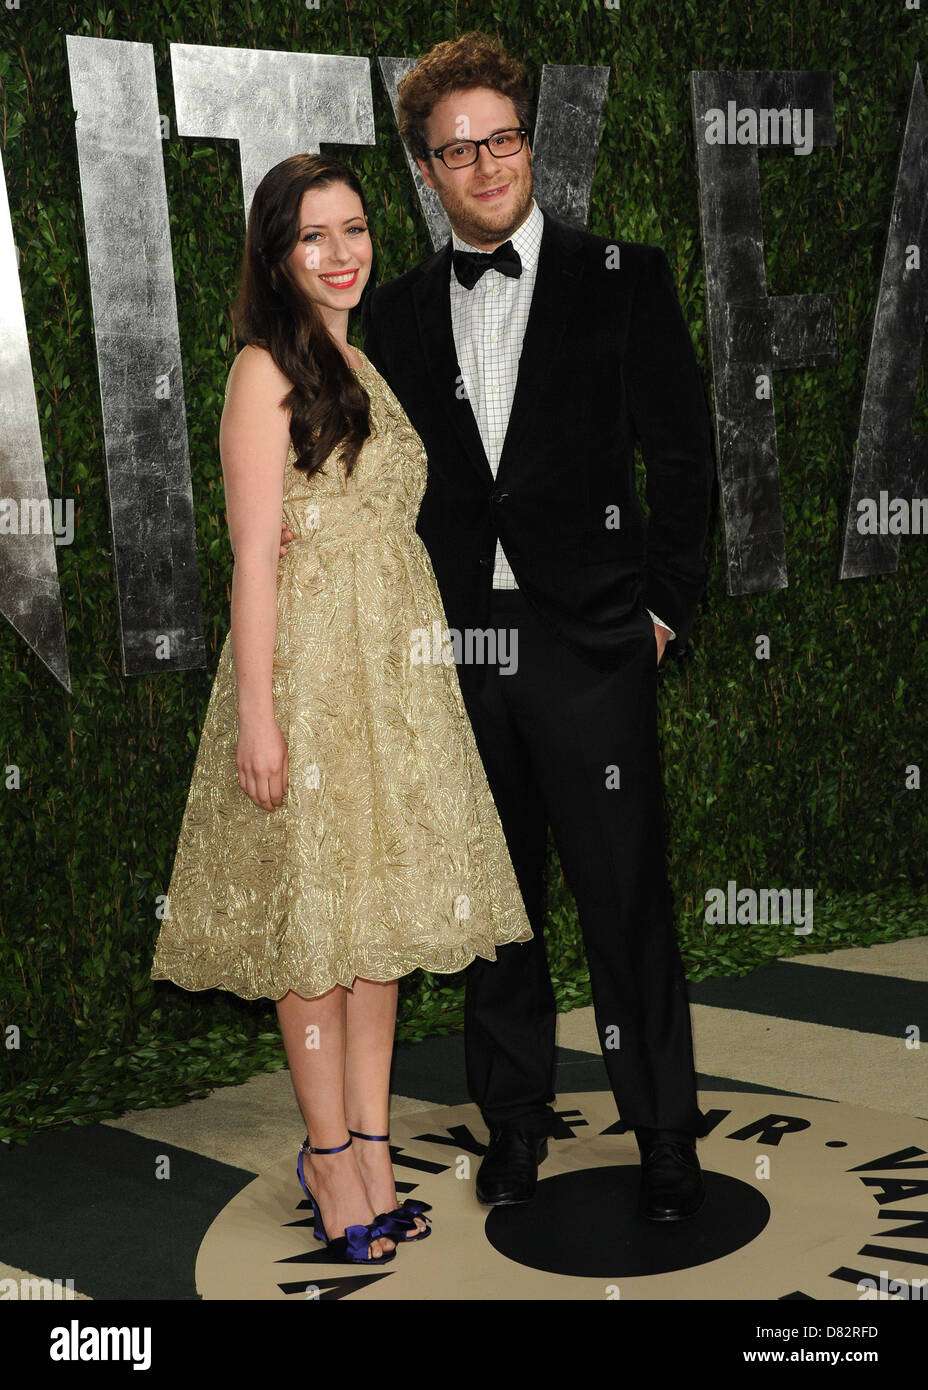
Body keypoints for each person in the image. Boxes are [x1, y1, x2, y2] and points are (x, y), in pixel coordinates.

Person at [283, 32, 716, 1222]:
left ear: (531, 141)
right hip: (460, 651)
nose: (484, 166)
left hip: (592, 650)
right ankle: (514, 1123)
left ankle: (665, 1135)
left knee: (626, 896)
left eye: (501, 140)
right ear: (427, 172)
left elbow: (683, 460)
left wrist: (663, 612)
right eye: (456, 150)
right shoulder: (400, 315)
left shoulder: (627, 276)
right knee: (489, 904)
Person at [149, 153, 533, 1265]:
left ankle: (369, 1142)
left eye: (355, 228)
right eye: (314, 236)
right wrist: (259, 717)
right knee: (315, 934)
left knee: (378, 935)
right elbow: (252, 564)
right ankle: (328, 1154)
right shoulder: (261, 371)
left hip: (395, 679)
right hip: (312, 679)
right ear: (276, 255)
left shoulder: (357, 356)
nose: (341, 252)